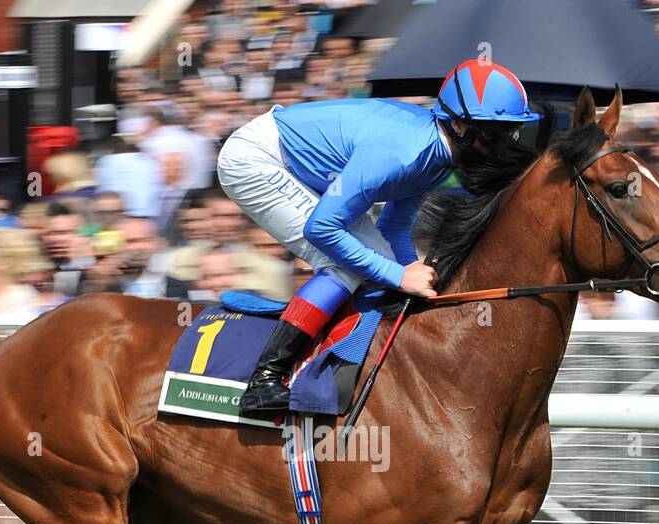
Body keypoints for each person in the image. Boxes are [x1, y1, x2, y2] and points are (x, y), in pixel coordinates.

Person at [216, 58, 540, 415]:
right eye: (498, 132)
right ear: (461, 126)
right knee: (345, 266)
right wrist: (400, 275)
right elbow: (321, 228)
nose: (506, 145)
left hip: (299, 164)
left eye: (511, 131)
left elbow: (395, 228)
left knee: (378, 262)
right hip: (256, 160)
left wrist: (412, 271)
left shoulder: (439, 154)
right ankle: (265, 380)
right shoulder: (401, 155)